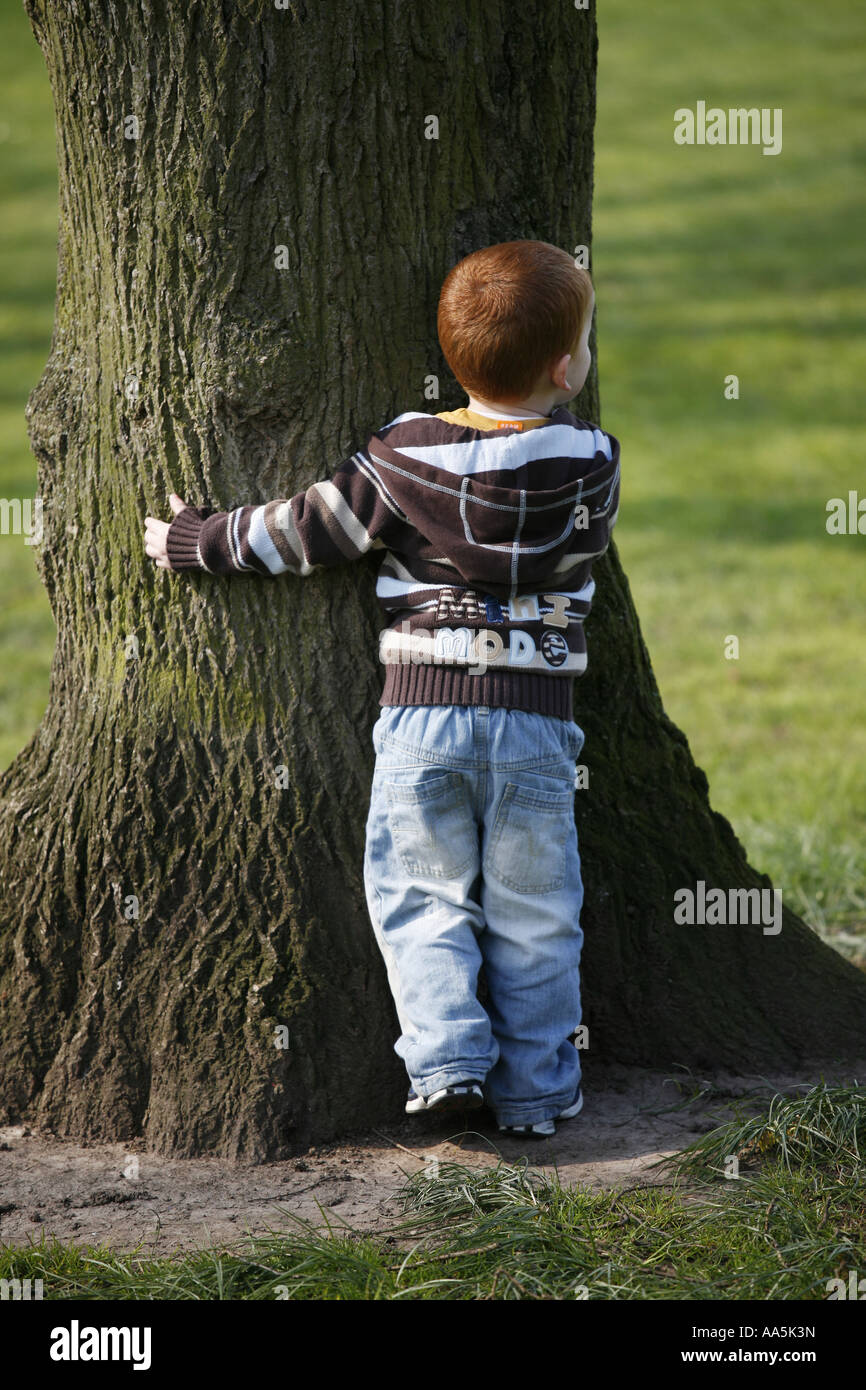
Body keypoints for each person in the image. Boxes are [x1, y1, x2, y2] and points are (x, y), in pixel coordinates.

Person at [144, 239, 620, 1138]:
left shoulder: (404, 458)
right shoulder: (592, 463)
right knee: (538, 914)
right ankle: (538, 1092)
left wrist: (201, 540)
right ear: (566, 367)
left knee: (421, 895)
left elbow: (303, 531)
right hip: (536, 727)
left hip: (424, 719)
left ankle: (446, 1066)